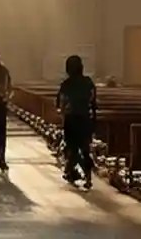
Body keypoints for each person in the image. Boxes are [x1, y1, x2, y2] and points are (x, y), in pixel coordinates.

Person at [56, 55, 97, 188]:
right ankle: (87, 176)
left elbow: (62, 102)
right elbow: (92, 98)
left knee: (72, 148)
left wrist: (63, 115)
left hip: (72, 118)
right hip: (85, 118)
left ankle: (71, 170)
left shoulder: (66, 84)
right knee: (85, 148)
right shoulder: (88, 81)